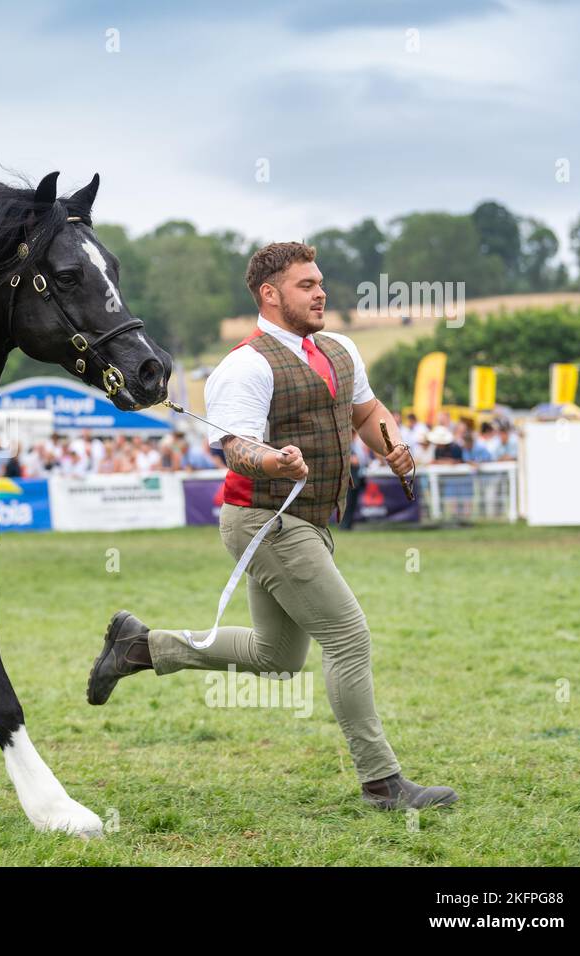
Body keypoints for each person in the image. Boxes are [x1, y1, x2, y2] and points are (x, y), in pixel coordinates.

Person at [85, 241, 457, 812]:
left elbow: (367, 412)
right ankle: (382, 783)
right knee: (348, 637)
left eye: (320, 282)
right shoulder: (246, 365)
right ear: (270, 293)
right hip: (264, 520)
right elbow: (235, 448)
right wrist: (273, 460)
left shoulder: (339, 349)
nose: (320, 292)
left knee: (276, 657)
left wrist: (395, 445)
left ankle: (141, 647)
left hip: (307, 521)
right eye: (306, 285)